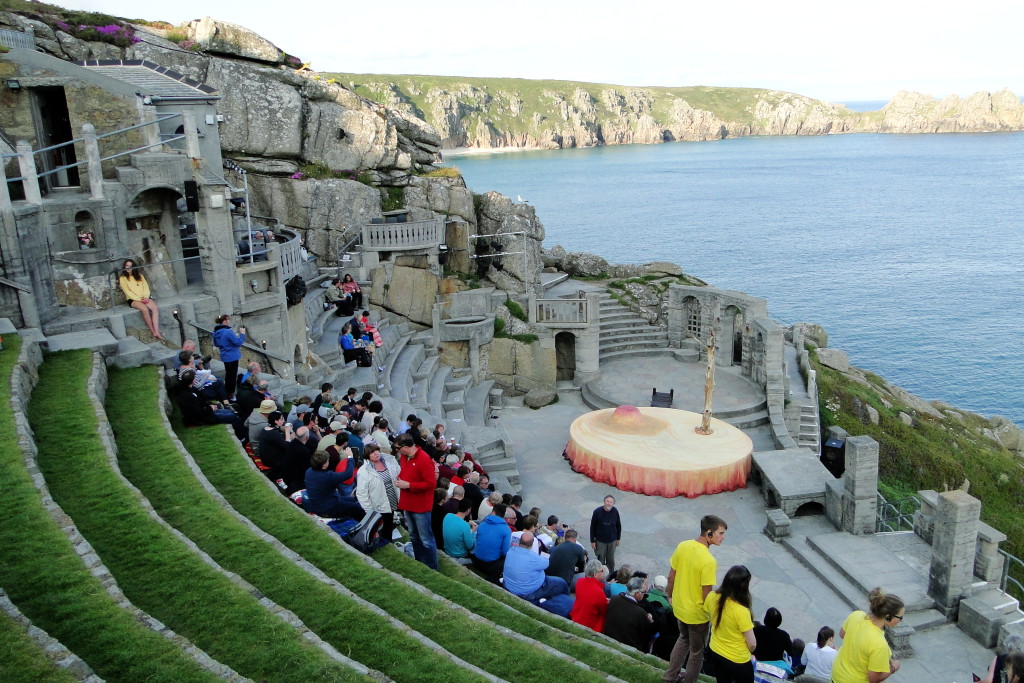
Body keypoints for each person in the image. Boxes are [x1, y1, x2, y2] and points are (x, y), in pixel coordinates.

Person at [662, 514, 728, 683]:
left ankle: (669, 677)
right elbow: (707, 594)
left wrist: (670, 595)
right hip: (697, 614)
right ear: (709, 533)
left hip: (680, 607)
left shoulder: (683, 546)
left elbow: (671, 578)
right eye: (720, 533)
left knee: (682, 639)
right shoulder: (708, 560)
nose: (723, 537)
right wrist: (713, 615)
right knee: (697, 651)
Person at [832, 588, 904, 683]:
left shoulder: (856, 615)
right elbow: (873, 679)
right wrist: (894, 667)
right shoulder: (879, 644)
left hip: (837, 674)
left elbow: (842, 634)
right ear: (888, 616)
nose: (901, 620)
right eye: (900, 617)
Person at [704, 565, 756, 683]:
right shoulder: (741, 611)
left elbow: (707, 612)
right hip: (737, 659)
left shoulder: (712, 596)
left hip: (715, 651)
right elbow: (752, 644)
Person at [394, 433, 438, 570]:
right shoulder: (403, 456)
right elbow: (406, 472)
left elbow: (431, 484)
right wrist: (401, 479)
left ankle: (431, 567)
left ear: (406, 447)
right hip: (408, 503)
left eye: (397, 448)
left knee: (426, 539)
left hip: (421, 506)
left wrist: (409, 485)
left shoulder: (424, 459)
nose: (396, 451)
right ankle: (420, 561)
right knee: (413, 535)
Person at [354, 442, 400, 546]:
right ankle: (379, 544)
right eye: (372, 453)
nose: (376, 453)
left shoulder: (389, 462)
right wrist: (369, 510)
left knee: (389, 524)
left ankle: (388, 544)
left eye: (376, 450)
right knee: (379, 526)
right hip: (378, 504)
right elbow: (361, 493)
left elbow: (398, 475)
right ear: (367, 456)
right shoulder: (363, 471)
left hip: (392, 500)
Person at [502, 531, 569, 602]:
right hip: (528, 592)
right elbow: (546, 563)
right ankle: (566, 602)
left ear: (519, 541)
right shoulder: (533, 558)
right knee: (562, 583)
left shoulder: (511, 551)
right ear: (532, 544)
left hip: (509, 586)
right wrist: (541, 550)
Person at [304, 450, 363, 520]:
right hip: (327, 508)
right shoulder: (328, 476)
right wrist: (350, 457)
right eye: (328, 460)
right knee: (358, 508)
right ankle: (364, 527)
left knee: (352, 500)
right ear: (324, 464)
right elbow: (348, 474)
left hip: (319, 503)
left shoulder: (309, 471)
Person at [605, 575, 655, 652]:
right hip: (629, 647)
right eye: (643, 592)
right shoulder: (640, 612)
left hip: (609, 638)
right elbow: (647, 634)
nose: (644, 594)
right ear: (637, 594)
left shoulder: (614, 599)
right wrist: (650, 621)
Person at [118, 259, 162, 339]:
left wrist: (145, 297)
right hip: (133, 299)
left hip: (144, 297)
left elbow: (145, 287)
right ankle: (152, 331)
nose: (128, 268)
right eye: (127, 265)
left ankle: (157, 330)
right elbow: (128, 292)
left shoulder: (139, 276)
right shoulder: (122, 278)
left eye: (130, 266)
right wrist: (140, 299)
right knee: (144, 309)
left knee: (154, 308)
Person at [473, 502, 512, 583]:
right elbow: (505, 552)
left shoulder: (482, 524)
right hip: (490, 566)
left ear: (493, 512)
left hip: (476, 561)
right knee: (509, 559)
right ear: (504, 515)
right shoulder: (506, 529)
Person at [212, 314, 245, 400]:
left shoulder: (215, 332)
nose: (229, 321)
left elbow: (216, 344)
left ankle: (227, 392)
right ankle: (231, 394)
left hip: (224, 356)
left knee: (228, 375)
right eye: (228, 320)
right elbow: (238, 342)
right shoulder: (228, 331)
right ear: (225, 321)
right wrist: (242, 334)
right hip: (232, 356)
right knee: (232, 376)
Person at [753, 607, 795, 675]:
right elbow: (791, 652)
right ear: (779, 621)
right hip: (776, 667)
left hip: (756, 662)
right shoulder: (784, 636)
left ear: (765, 619)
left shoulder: (756, 630)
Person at [571, 560, 609, 632]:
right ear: (595, 574)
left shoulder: (580, 581)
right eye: (601, 570)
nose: (603, 571)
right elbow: (604, 610)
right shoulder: (599, 592)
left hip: (577, 616)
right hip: (588, 624)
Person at [590, 495, 621, 574]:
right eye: (607, 501)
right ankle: (600, 575)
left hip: (612, 540)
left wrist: (618, 538)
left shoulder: (615, 511)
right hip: (600, 540)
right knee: (601, 559)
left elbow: (618, 525)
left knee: (611, 560)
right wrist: (592, 541)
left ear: (613, 503)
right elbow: (592, 526)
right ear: (604, 502)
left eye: (611, 502)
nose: (609, 503)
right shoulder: (597, 512)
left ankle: (610, 574)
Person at [443, 497, 477, 564]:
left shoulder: (448, 516)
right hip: (460, 554)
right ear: (468, 510)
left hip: (447, 550)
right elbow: (470, 546)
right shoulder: (465, 526)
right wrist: (473, 531)